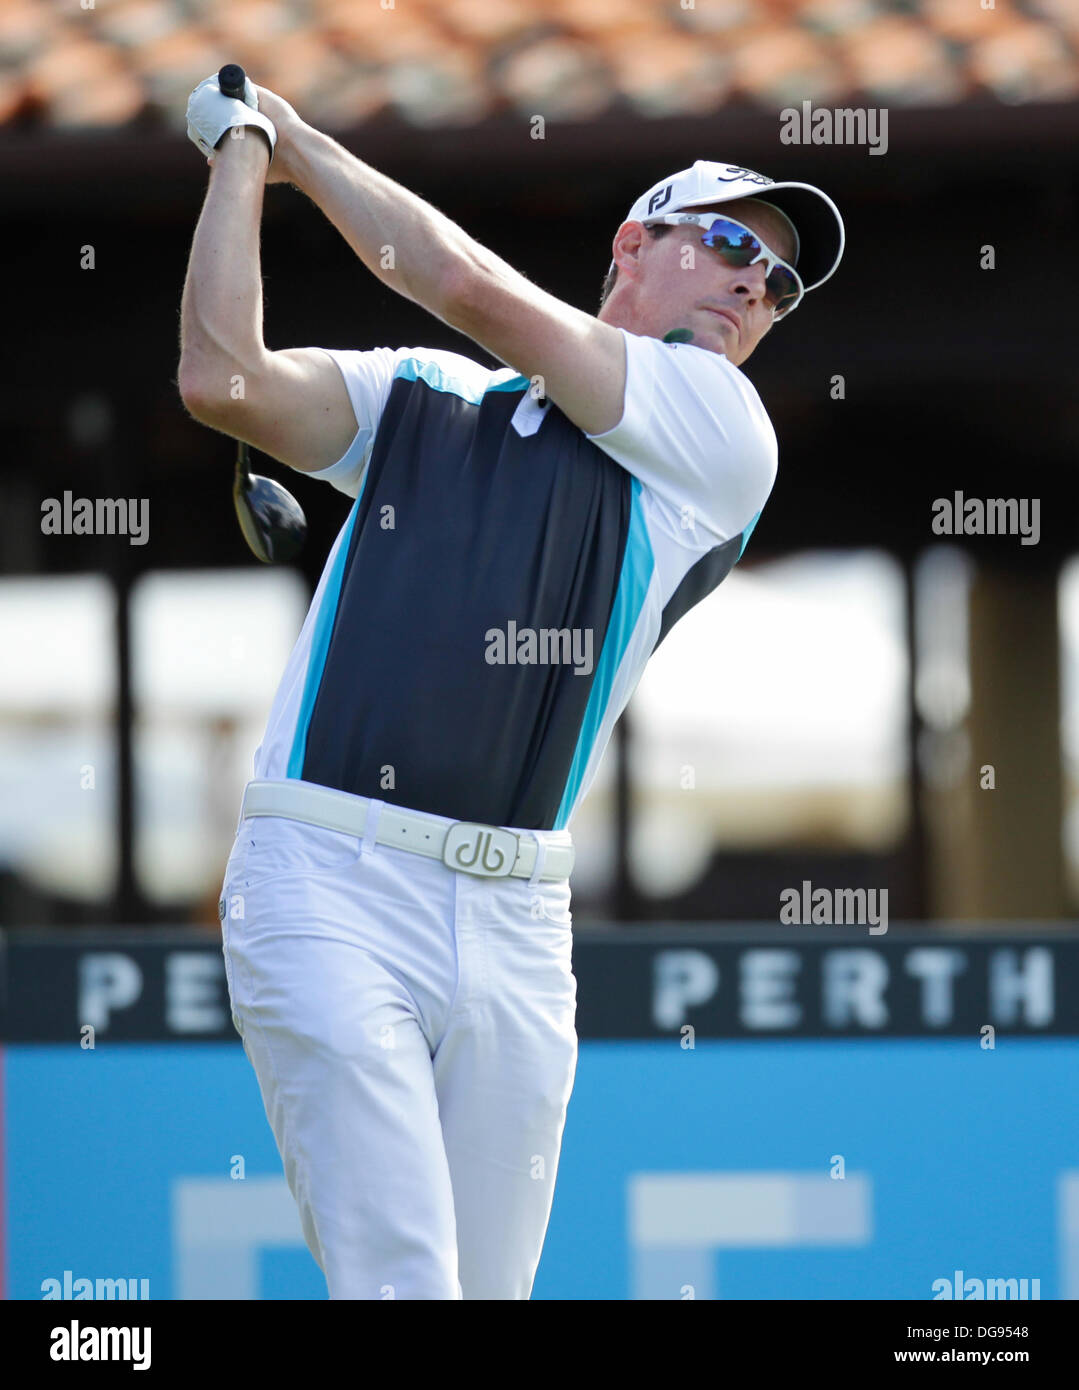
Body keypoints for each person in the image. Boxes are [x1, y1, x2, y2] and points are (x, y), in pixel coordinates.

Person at [179, 75, 844, 1300]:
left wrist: (295, 140)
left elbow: (467, 287)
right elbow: (225, 382)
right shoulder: (420, 398)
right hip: (325, 877)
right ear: (631, 248)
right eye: (734, 244)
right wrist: (240, 153)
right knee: (404, 1280)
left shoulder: (720, 432)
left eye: (780, 283)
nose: (758, 285)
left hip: (518, 920)